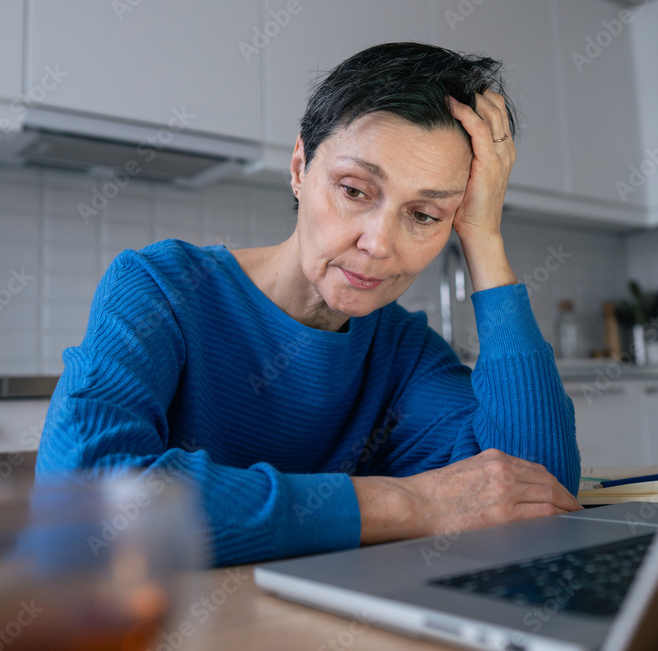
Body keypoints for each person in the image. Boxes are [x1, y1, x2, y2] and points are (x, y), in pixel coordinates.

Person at [37, 42, 582, 566]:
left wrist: (484, 235)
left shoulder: (403, 351)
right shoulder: (162, 289)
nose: (379, 244)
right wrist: (410, 504)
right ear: (300, 167)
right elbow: (83, 502)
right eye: (354, 190)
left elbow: (533, 492)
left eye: (424, 215)